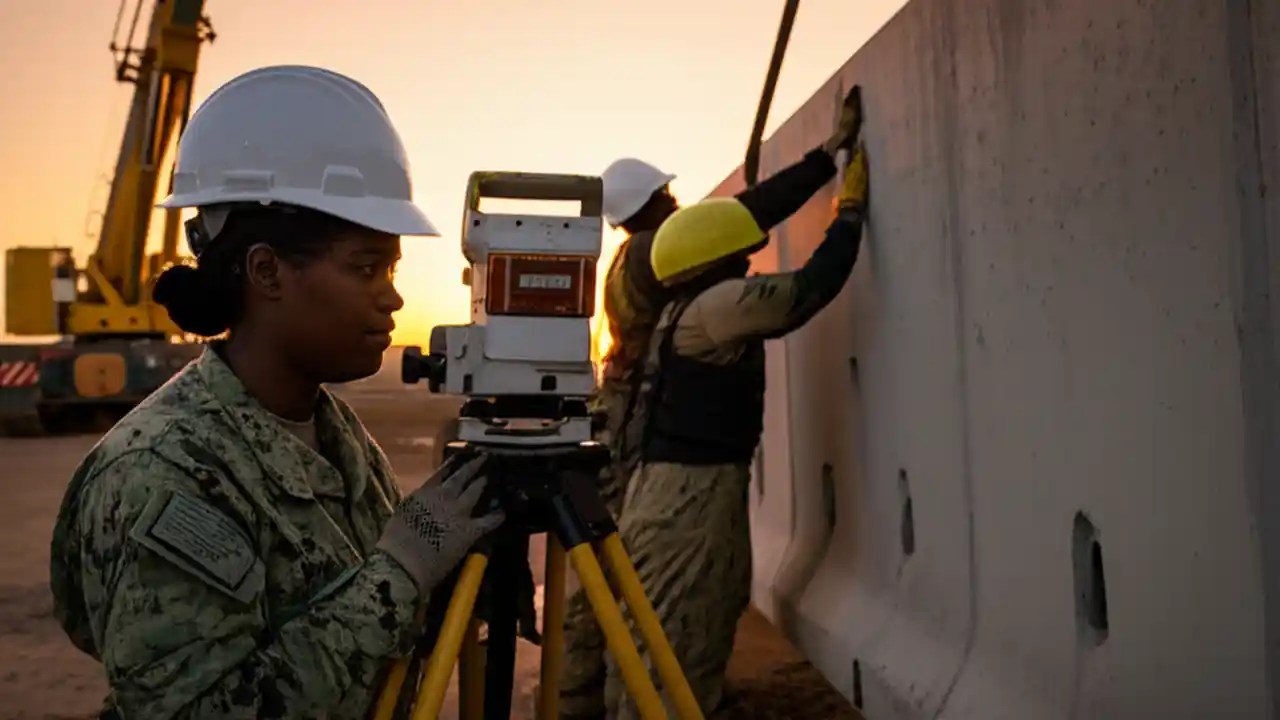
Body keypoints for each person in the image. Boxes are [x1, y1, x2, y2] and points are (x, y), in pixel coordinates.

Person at [47, 65, 505, 719]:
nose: (393, 296)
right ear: (267, 271)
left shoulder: (336, 435)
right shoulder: (165, 469)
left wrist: (451, 579)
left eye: (392, 269)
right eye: (366, 267)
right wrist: (400, 574)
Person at [557, 90, 865, 718]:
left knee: (632, 587)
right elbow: (754, 218)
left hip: (635, 434)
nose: (679, 203)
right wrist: (831, 173)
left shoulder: (633, 264)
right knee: (671, 595)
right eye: (667, 197)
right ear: (652, 206)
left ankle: (585, 702)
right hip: (651, 447)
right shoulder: (660, 260)